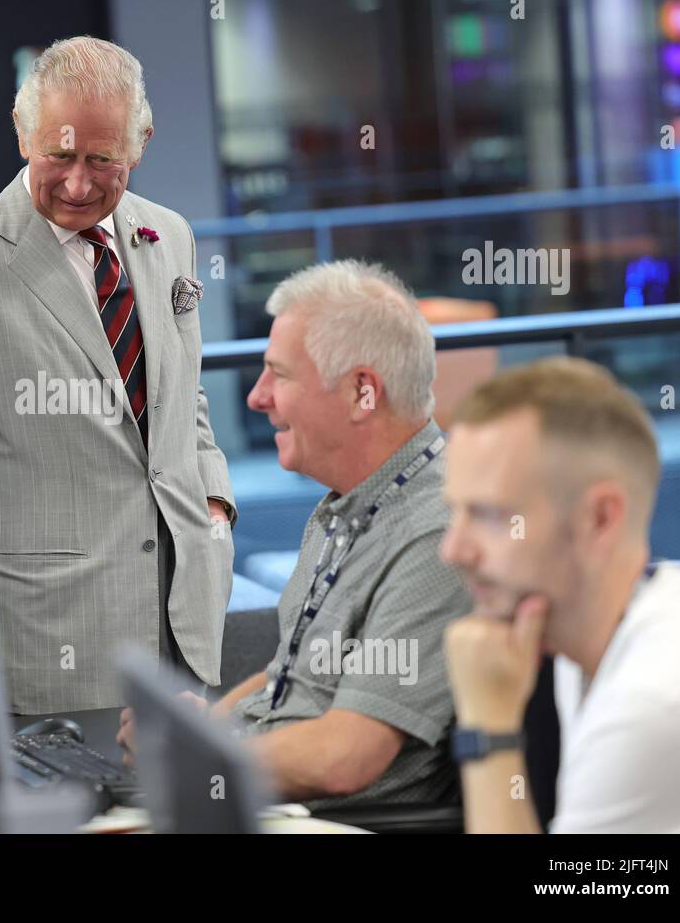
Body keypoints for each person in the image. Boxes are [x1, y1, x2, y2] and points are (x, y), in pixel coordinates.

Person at [0, 36, 235, 713]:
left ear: (141, 144)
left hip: (183, 623)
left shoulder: (171, 236)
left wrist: (213, 502)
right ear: (22, 135)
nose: (78, 184)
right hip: (48, 651)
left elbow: (180, 396)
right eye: (59, 156)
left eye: (102, 161)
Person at [121, 261, 472, 808]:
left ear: (362, 392)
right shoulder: (350, 504)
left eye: (279, 376)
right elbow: (294, 676)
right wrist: (206, 727)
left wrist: (196, 755)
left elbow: (346, 757)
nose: (256, 397)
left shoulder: (437, 533)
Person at [440, 356, 680, 832]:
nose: (452, 550)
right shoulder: (594, 640)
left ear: (599, 519)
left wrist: (487, 727)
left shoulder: (652, 699)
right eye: (454, 512)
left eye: (489, 515)